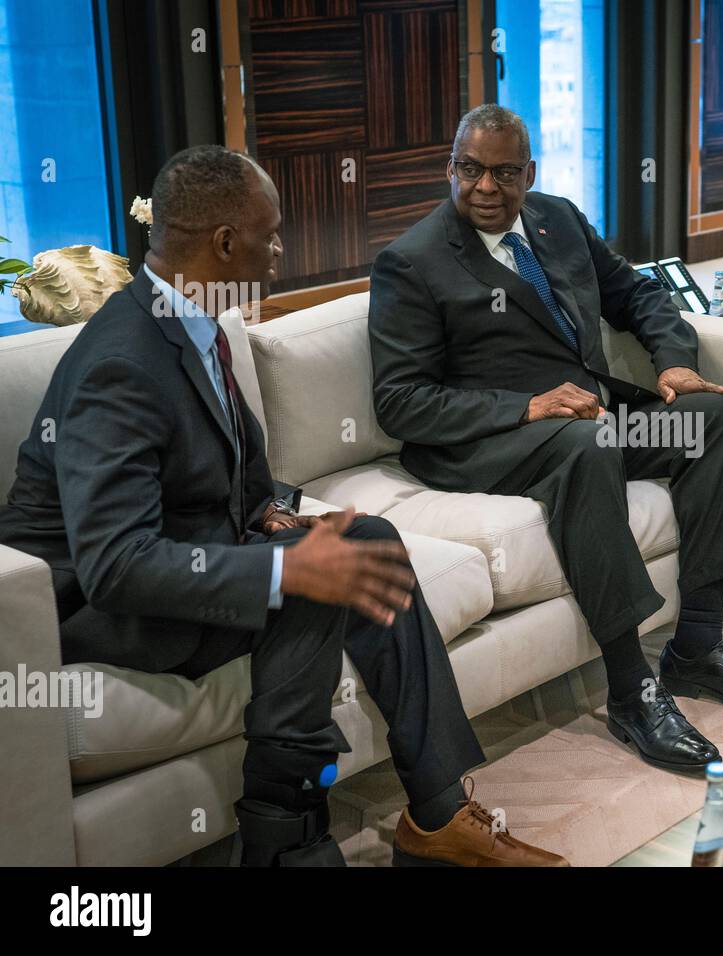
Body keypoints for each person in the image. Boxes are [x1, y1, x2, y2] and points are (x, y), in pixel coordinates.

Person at [0, 145, 566, 867]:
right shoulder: (122, 362)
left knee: (366, 539)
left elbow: (223, 468)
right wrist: (286, 572)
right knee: (308, 588)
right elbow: (114, 565)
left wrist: (276, 514)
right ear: (224, 243)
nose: (278, 250)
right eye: (269, 234)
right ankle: (291, 843)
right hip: (94, 605)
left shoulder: (192, 322)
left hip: (181, 555)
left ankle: (436, 815)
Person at [368, 105, 723, 774]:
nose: (485, 187)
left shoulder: (558, 219)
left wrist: (672, 361)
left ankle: (698, 646)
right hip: (493, 437)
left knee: (717, 421)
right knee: (587, 445)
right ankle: (633, 691)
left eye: (503, 172)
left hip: (587, 419)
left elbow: (639, 295)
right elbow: (401, 401)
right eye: (469, 170)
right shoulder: (413, 261)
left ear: (529, 173)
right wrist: (528, 406)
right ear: (449, 168)